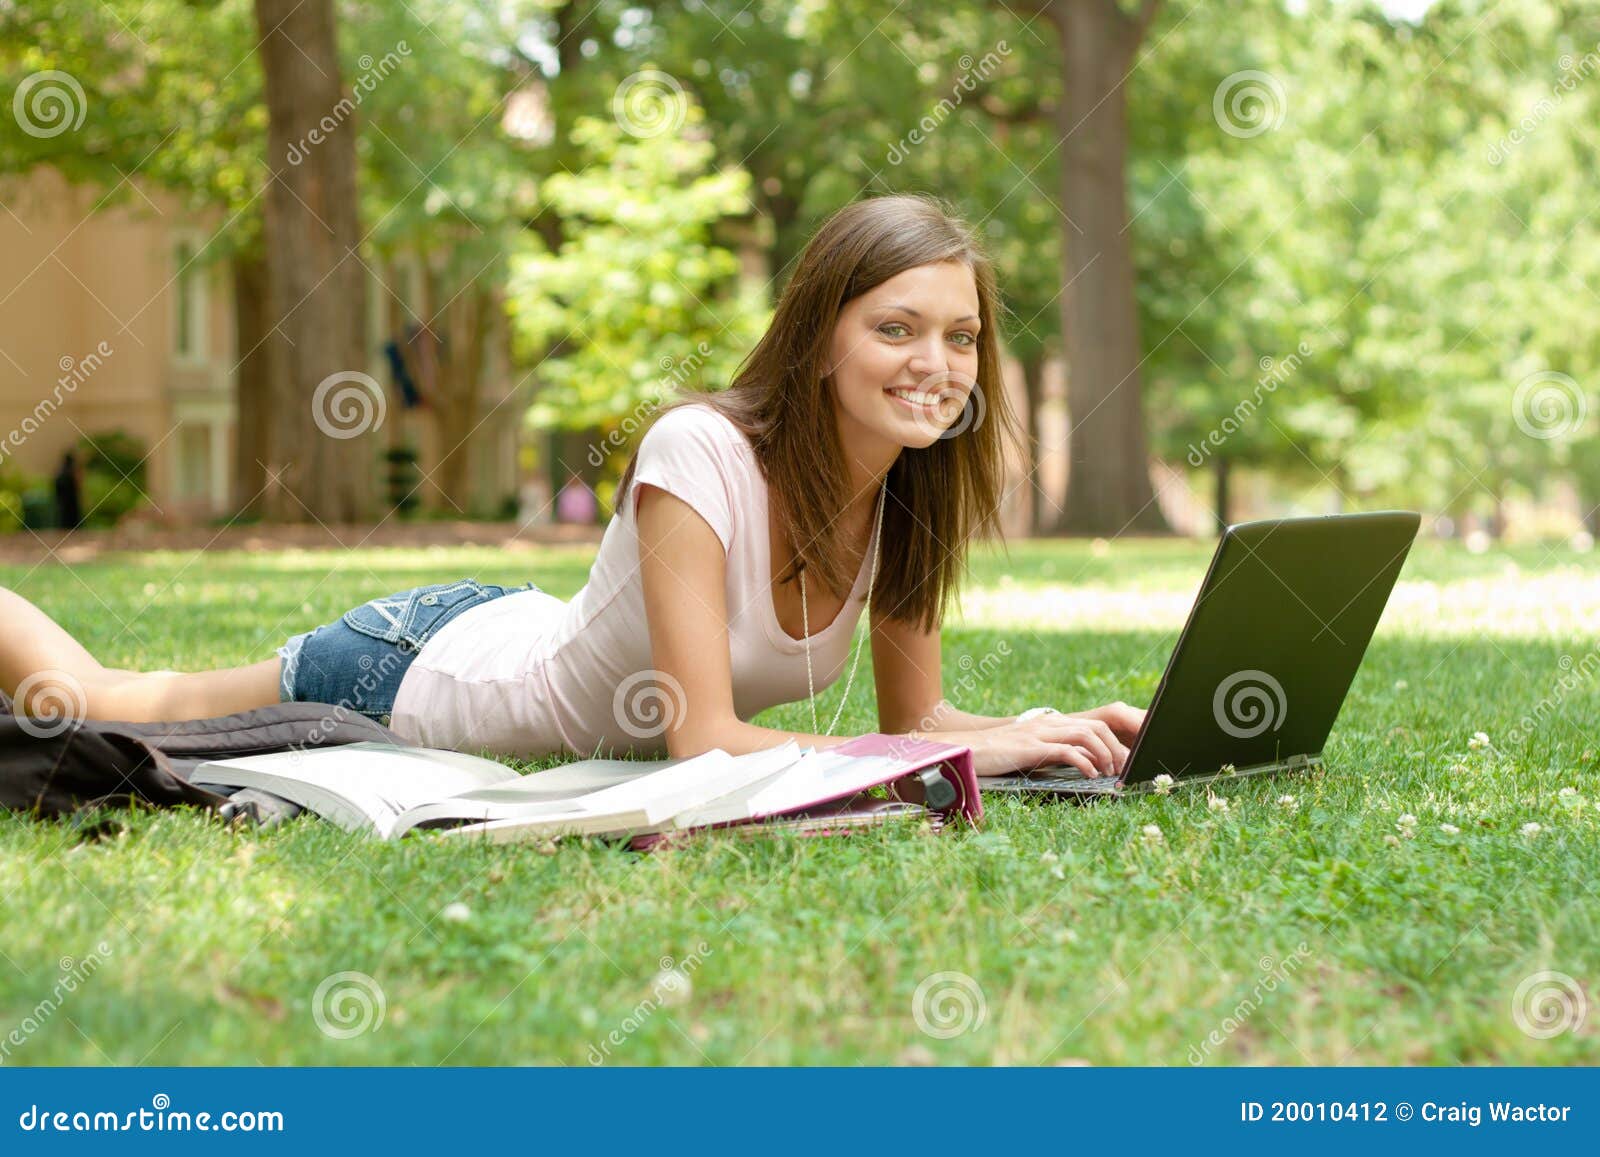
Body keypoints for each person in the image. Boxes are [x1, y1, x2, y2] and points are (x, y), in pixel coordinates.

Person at [0, 195, 1142, 778]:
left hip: (512, 625)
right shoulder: (699, 449)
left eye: (960, 336)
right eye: (896, 327)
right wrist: (941, 757)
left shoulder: (906, 494)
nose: (935, 364)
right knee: (100, 698)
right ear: (816, 339)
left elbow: (917, 724)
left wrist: (1043, 731)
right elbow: (701, 738)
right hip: (407, 672)